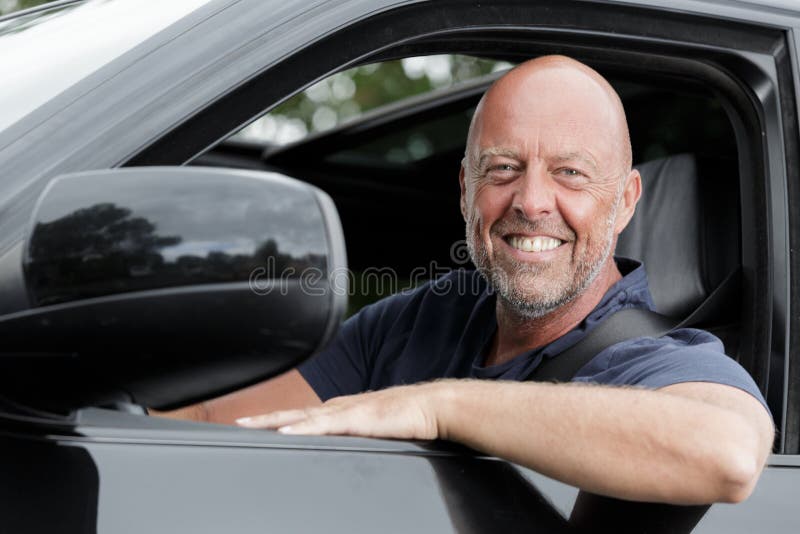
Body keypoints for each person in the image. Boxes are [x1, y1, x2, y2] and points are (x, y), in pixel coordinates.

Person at [157, 55, 775, 505]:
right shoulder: (420, 318)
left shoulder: (655, 362)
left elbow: (728, 456)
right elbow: (223, 427)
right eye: (503, 167)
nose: (532, 202)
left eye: (570, 174)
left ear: (627, 202)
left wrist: (437, 404)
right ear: (465, 190)